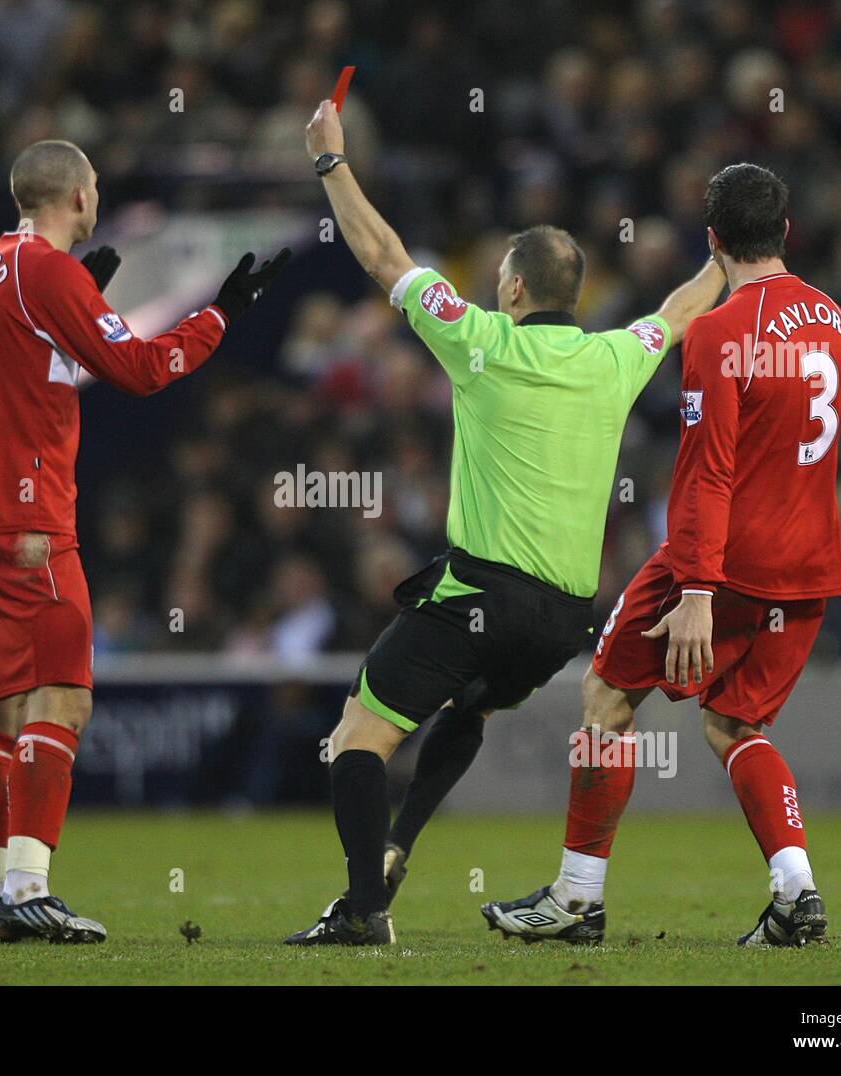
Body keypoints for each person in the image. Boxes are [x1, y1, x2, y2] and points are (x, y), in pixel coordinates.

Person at [285, 101, 726, 945]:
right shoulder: (613, 359)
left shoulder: (479, 340)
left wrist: (331, 163)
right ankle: (399, 845)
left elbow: (381, 254)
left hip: (481, 593)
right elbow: (677, 313)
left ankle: (361, 912)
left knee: (355, 741)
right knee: (469, 712)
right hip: (564, 618)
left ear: (516, 288)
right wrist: (725, 257)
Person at [483, 163, 841, 948]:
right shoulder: (834, 319)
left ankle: (578, 899)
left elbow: (709, 470)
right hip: (810, 564)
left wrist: (695, 590)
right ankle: (796, 891)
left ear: (711, 240)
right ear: (785, 231)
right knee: (735, 724)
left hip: (724, 564)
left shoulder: (721, 332)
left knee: (605, 700)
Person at [0, 138, 289, 943]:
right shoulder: (46, 270)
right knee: (63, 694)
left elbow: (10, 370)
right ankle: (29, 888)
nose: (96, 198)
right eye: (93, 186)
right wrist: (222, 313)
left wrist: (66, 321)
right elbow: (142, 366)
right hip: (24, 519)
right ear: (78, 198)